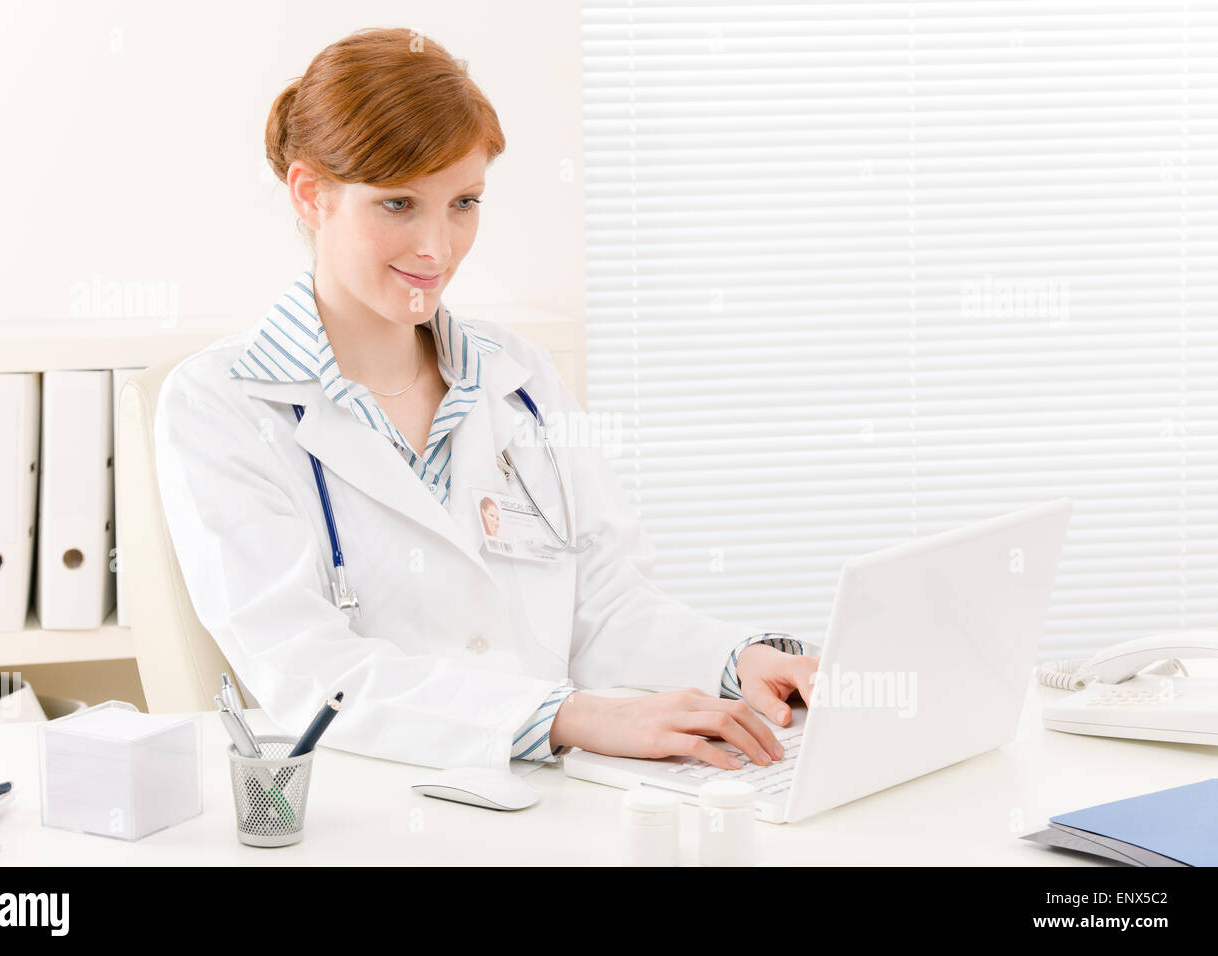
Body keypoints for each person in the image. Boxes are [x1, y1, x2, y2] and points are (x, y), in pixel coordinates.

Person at [154, 27, 820, 773]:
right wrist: (564, 717)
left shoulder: (520, 379)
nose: (438, 248)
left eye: (463, 202)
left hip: (551, 797)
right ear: (312, 194)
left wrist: (735, 661)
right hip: (377, 806)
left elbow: (604, 605)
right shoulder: (220, 404)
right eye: (399, 204)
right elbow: (309, 671)